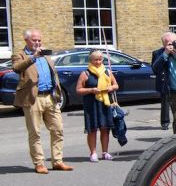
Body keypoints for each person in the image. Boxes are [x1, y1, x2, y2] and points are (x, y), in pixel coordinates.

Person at [11, 28, 74, 173]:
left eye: (39, 40)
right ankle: (39, 163)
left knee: (58, 130)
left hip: (50, 97)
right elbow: (16, 68)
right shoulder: (20, 54)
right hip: (33, 98)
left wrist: (56, 90)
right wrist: (33, 57)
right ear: (26, 40)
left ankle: (57, 161)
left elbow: (53, 73)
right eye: (35, 40)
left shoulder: (45, 55)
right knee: (35, 133)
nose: (38, 42)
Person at [75, 50, 119, 162]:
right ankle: (93, 153)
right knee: (92, 129)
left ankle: (105, 152)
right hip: (91, 104)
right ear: (91, 60)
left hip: (105, 103)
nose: (98, 62)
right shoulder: (85, 73)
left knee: (105, 128)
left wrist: (111, 88)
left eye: (100, 59)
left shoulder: (107, 72)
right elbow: (78, 90)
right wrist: (90, 90)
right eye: (96, 59)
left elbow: (116, 85)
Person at [151, 40, 171, 130]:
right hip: (164, 81)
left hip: (174, 80)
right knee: (165, 103)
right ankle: (165, 122)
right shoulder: (157, 53)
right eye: (168, 43)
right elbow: (155, 69)